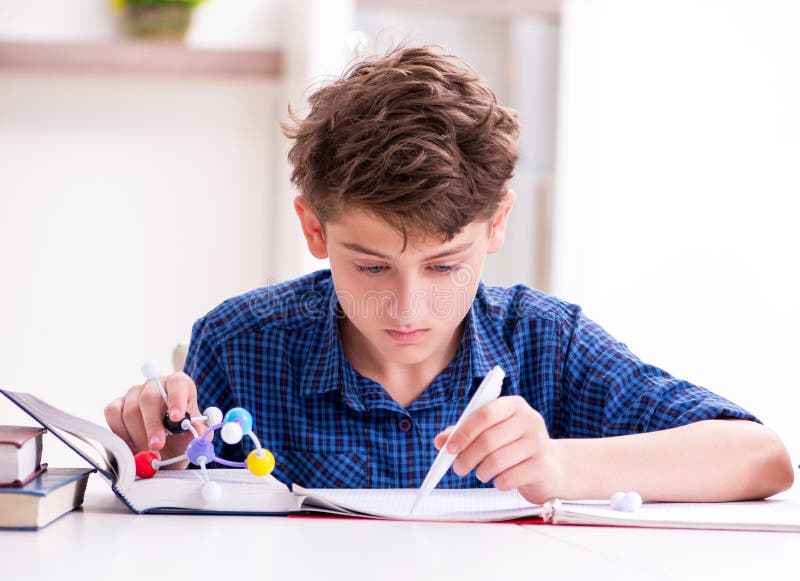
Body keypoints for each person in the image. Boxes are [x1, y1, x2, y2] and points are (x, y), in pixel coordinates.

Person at [104, 46, 793, 503]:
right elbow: (182, 512)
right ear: (314, 229)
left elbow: (761, 457)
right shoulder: (240, 345)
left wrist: (563, 465)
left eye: (444, 265)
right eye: (372, 264)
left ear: (496, 226)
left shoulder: (546, 345)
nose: (408, 306)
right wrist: (160, 456)